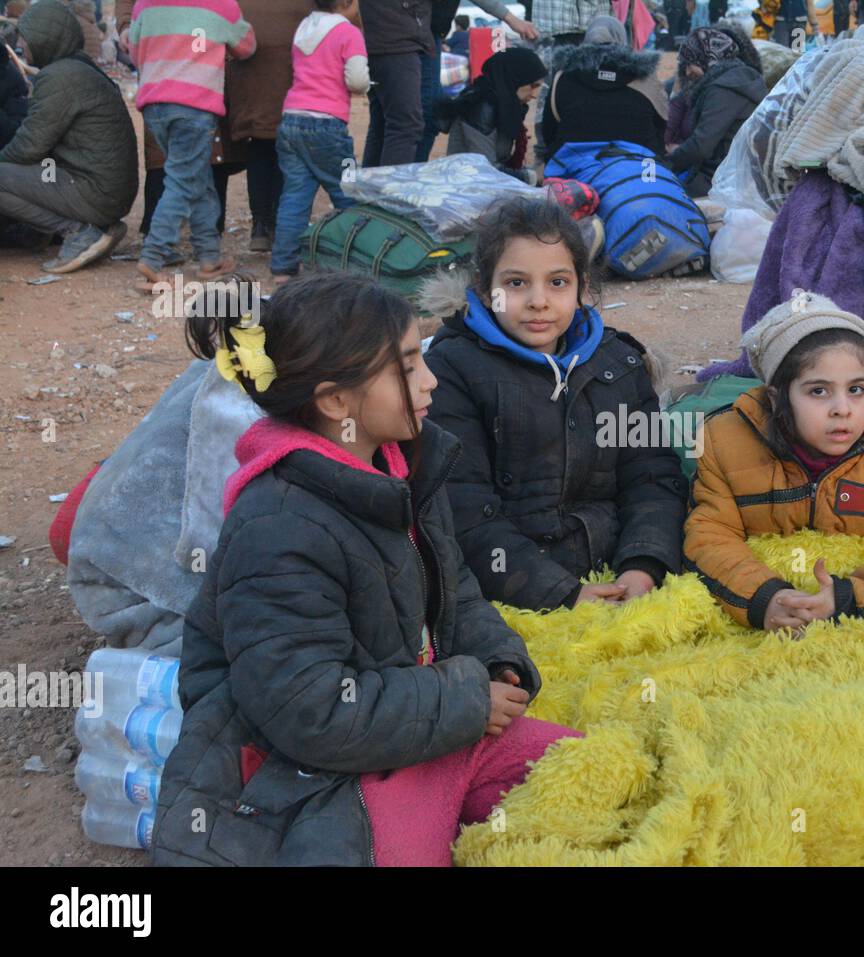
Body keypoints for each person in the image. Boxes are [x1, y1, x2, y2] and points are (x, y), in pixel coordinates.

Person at [151, 273, 578, 867]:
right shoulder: (278, 528)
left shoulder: (403, 469)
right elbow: (309, 710)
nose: (429, 380)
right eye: (406, 367)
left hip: (421, 725)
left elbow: (457, 592)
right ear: (335, 401)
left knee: (585, 777)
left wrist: (497, 663)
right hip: (318, 770)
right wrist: (462, 701)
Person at [423, 198, 687, 611]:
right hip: (508, 595)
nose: (538, 301)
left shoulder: (620, 363)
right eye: (515, 283)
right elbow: (463, 509)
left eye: (557, 283)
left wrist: (643, 564)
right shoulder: (452, 371)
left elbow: (652, 476)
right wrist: (561, 594)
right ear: (483, 287)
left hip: (617, 574)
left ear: (583, 286)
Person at [684, 292, 864, 631]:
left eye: (856, 389)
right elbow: (707, 539)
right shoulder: (722, 443)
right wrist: (766, 600)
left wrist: (847, 599)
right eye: (819, 391)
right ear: (776, 397)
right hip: (762, 615)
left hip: (861, 621)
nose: (842, 408)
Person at [0, 0, 136, 273]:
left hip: (95, 191)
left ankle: (78, 231)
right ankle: (69, 229)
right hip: (106, 189)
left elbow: (29, 146)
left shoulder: (60, 78)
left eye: (25, 40)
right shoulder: (76, 67)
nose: (21, 48)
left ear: (44, 39)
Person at [129, 0, 256, 292]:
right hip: (194, 107)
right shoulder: (221, 5)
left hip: (155, 106)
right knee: (184, 181)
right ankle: (152, 257)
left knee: (197, 178)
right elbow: (247, 46)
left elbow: (136, 53)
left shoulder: (144, 4)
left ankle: (208, 257)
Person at [358, 0, 536, 168]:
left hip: (395, 32)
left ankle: (367, 189)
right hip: (408, 35)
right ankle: (398, 187)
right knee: (413, 121)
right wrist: (510, 18)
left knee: (387, 119)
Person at [270, 0, 368, 284]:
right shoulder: (348, 33)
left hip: (291, 120)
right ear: (347, 2)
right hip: (327, 124)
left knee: (294, 196)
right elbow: (358, 80)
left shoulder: (303, 28)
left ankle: (283, 267)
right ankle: (354, 261)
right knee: (349, 189)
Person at [225, 0, 316, 253]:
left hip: (251, 67)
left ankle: (261, 227)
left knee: (261, 144)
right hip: (290, 69)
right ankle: (279, 226)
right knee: (284, 149)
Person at [541, 14, 668, 160]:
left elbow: (549, 131)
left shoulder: (563, 76)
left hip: (574, 167)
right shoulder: (645, 78)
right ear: (622, 39)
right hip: (636, 168)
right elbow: (661, 128)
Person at [667, 25, 765, 197]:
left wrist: (667, 161)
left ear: (707, 58)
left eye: (690, 63)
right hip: (740, 174)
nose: (688, 71)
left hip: (720, 178)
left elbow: (701, 146)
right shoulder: (744, 78)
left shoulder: (722, 89)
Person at [442, 46, 546, 183]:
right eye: (532, 86)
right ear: (514, 79)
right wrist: (532, 177)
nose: (534, 95)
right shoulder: (481, 107)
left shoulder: (504, 104)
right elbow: (485, 171)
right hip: (467, 188)